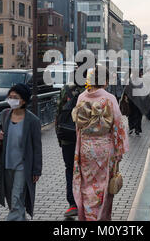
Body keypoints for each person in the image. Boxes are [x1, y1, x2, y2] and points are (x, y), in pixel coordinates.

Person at [71, 65, 129, 221]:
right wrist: (119, 151)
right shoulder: (109, 98)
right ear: (106, 81)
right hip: (104, 148)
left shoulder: (82, 97)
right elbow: (117, 126)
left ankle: (88, 215)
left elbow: (78, 126)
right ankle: (100, 218)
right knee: (103, 186)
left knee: (86, 185)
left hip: (86, 147)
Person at [0, 83, 42, 221]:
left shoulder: (33, 121)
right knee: (13, 200)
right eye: (10, 97)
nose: (11, 100)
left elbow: (37, 147)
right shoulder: (5, 115)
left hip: (23, 166)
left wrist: (36, 170)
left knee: (16, 198)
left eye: (15, 97)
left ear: (24, 100)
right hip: (7, 164)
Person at [55, 77, 85, 218]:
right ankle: (85, 201)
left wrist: (59, 136)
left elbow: (58, 112)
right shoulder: (94, 90)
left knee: (70, 169)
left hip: (67, 135)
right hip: (86, 138)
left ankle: (72, 203)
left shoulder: (66, 89)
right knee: (86, 169)